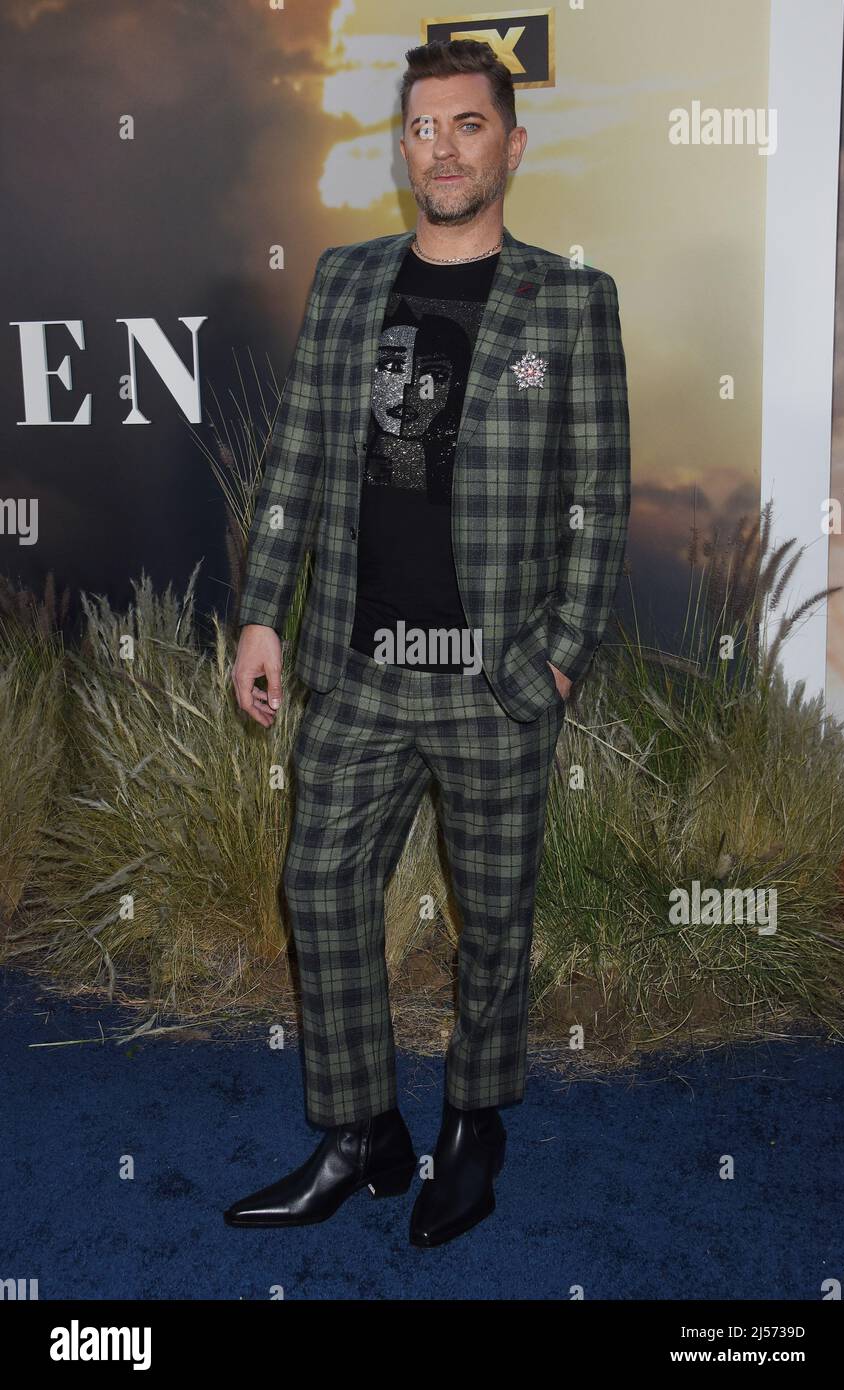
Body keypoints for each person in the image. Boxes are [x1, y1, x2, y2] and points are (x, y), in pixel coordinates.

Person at [224, 36, 630, 1247]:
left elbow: (600, 496)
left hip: (496, 677)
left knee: (494, 916)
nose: (440, 148)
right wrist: (261, 609)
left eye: (466, 125)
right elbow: (296, 457)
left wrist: (556, 657)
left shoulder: (570, 298)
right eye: (420, 126)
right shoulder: (348, 281)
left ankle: (473, 1124)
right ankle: (363, 1133)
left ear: (512, 143)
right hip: (356, 663)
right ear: (400, 143)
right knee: (320, 882)